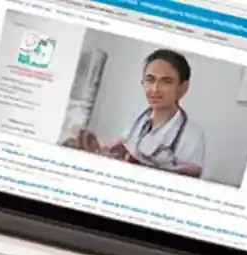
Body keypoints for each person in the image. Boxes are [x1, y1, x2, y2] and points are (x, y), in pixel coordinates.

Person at [75, 49, 206, 178]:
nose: (155, 89)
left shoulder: (192, 134)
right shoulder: (137, 117)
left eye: (166, 81)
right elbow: (122, 150)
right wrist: (101, 152)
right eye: (150, 80)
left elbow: (189, 178)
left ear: (183, 87)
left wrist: (142, 166)